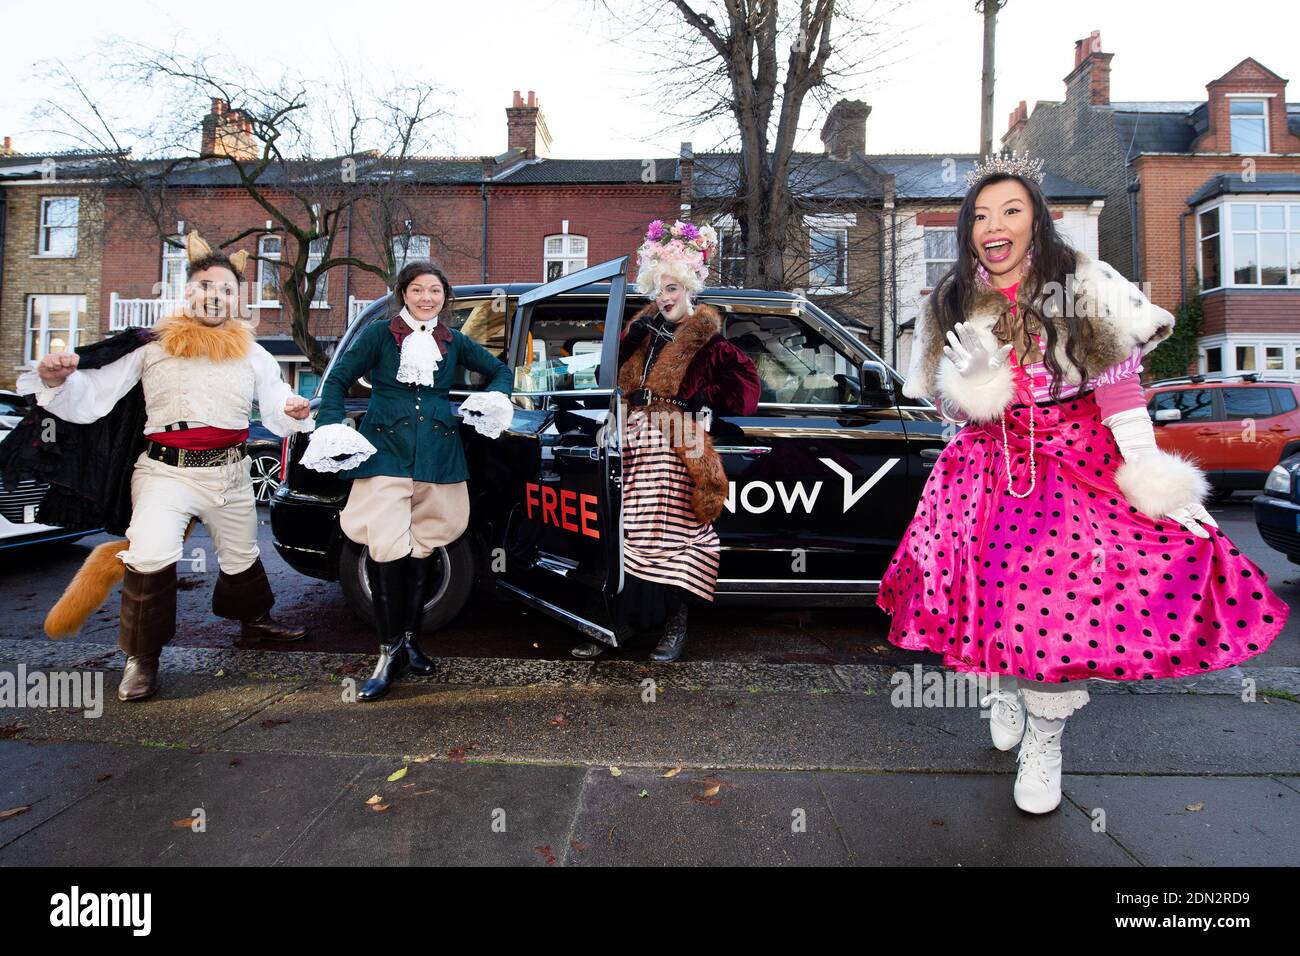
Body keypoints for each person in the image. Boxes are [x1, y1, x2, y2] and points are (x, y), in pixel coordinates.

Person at [877, 153, 1289, 813]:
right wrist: (977, 380)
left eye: (1010, 209)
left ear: (1035, 219)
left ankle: (1046, 740)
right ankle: (1005, 688)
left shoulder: (1084, 282)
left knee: (1052, 617)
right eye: (981, 214)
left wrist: (1154, 478)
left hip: (1073, 469)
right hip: (984, 474)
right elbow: (945, 410)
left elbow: (1120, 390)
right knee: (991, 605)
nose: (994, 224)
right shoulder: (950, 300)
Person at [8, 230, 315, 702]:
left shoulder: (253, 353)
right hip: (165, 472)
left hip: (231, 473)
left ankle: (255, 624)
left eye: (227, 289)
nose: (216, 296)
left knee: (240, 555)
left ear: (238, 298)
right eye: (206, 287)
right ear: (188, 291)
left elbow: (275, 405)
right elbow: (93, 400)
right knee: (151, 555)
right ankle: (142, 658)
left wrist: (293, 410)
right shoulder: (150, 345)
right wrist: (55, 380)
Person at [302, 260, 513, 700]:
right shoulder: (379, 334)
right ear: (403, 293)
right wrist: (333, 424)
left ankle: (411, 642)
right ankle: (386, 651)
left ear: (444, 297)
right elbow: (338, 379)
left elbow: (500, 371)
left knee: (425, 546)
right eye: (418, 290)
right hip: (386, 454)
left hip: (439, 455)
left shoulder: (453, 341)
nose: (426, 298)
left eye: (434, 291)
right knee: (385, 548)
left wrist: (492, 400)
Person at [571, 220, 760, 662]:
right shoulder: (643, 333)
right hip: (629, 431)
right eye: (659, 290)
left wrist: (700, 397)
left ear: (689, 287)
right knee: (621, 528)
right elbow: (602, 376)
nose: (666, 297)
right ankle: (620, 621)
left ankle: (674, 623)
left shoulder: (708, 340)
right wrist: (626, 340)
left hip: (675, 439)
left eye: (673, 287)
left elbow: (747, 392)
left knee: (667, 530)